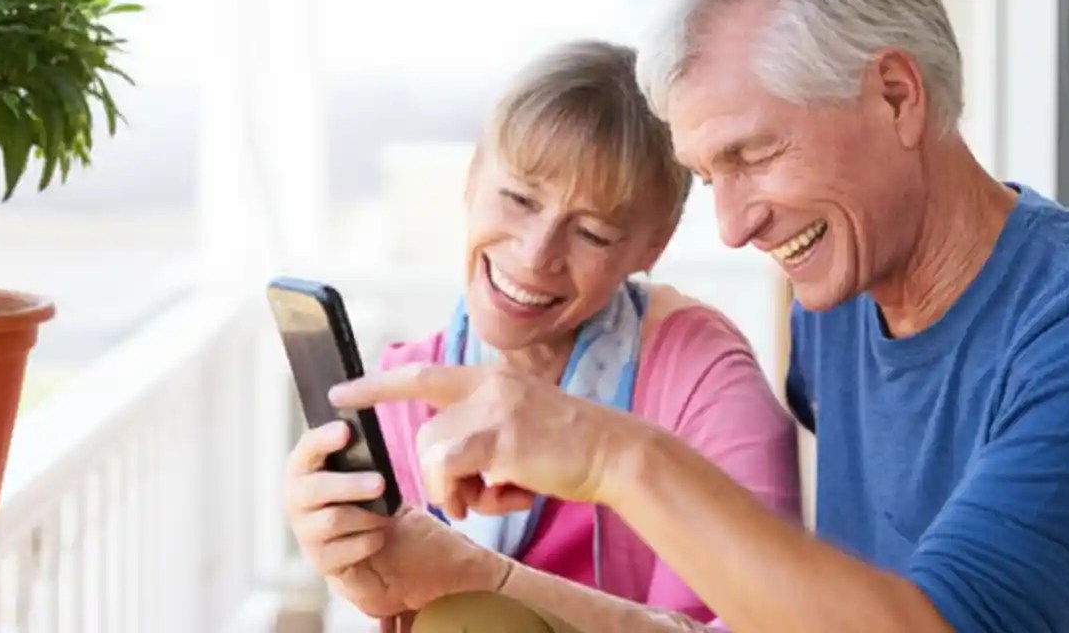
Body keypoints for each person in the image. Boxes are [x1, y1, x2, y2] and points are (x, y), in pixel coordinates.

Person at [324, 0, 1069, 632]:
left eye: (754, 154)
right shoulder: (839, 299)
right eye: (709, 175)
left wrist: (615, 455)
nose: (733, 226)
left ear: (895, 96)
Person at [284, 40, 800, 629]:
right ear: (473, 175)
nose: (535, 256)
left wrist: (483, 576)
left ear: (652, 246)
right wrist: (358, 575)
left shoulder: (700, 378)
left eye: (593, 234)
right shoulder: (401, 400)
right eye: (518, 198)